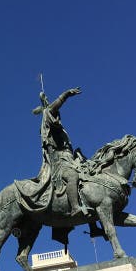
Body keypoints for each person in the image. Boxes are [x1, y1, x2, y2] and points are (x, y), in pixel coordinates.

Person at [32, 87, 89, 217]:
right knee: (72, 177)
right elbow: (53, 107)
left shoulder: (60, 129)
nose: (57, 117)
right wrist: (66, 94)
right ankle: (75, 208)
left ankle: (94, 226)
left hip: (70, 160)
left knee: (90, 180)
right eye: (55, 114)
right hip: (60, 162)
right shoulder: (47, 114)